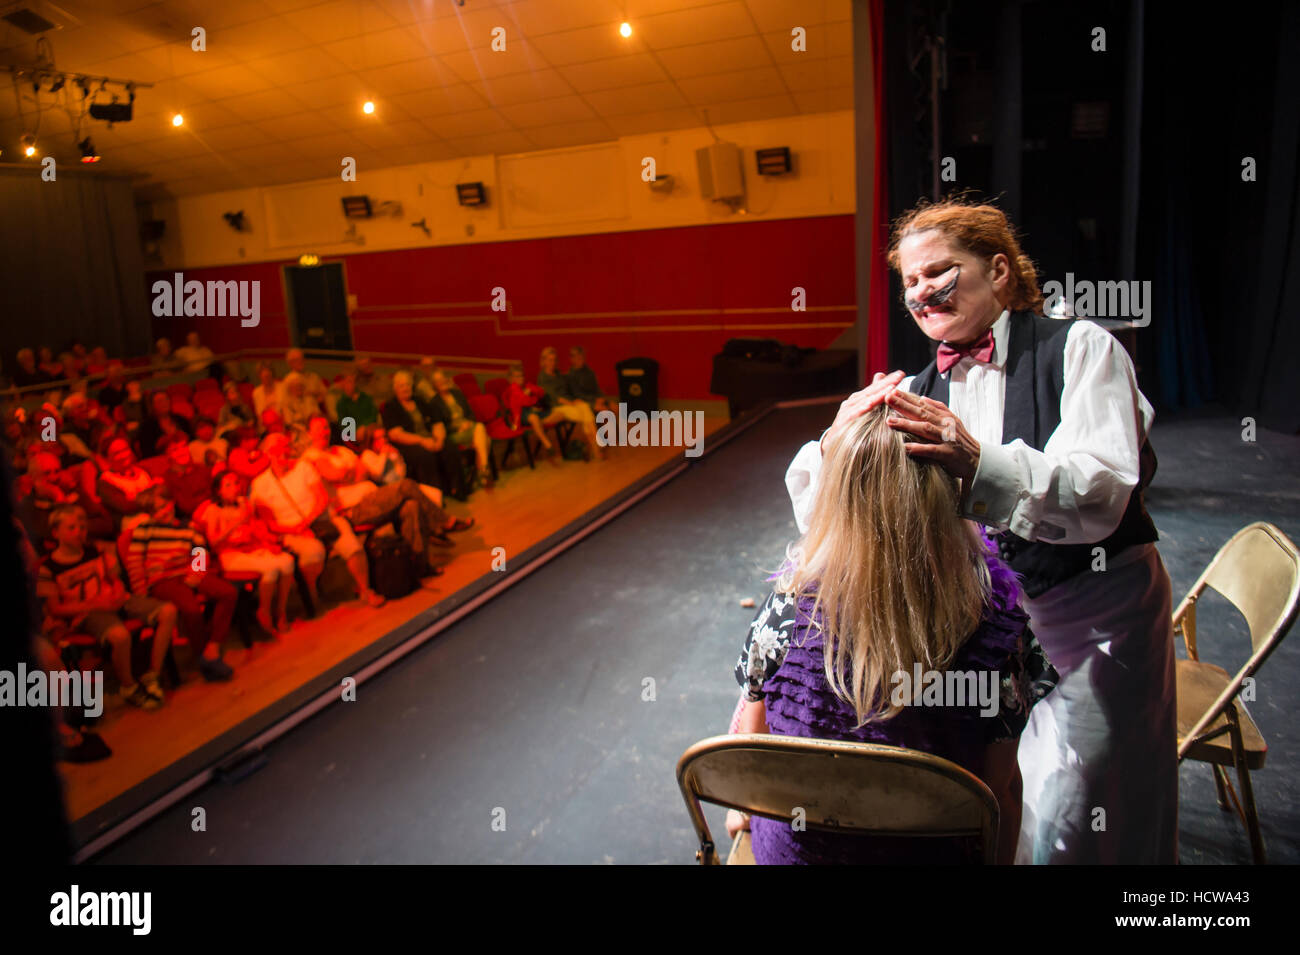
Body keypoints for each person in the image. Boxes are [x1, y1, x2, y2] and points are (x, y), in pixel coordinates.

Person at [786, 197, 1175, 865]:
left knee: (1083, 810)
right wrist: (834, 441)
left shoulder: (1081, 349)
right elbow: (840, 515)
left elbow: (1102, 492)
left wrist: (979, 462)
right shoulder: (918, 388)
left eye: (939, 270)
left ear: (998, 271)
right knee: (1002, 800)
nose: (921, 291)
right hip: (987, 637)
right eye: (909, 280)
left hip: (1095, 622)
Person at [727, 408, 1055, 864]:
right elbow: (1001, 792)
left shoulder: (785, 612)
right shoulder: (998, 635)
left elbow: (751, 759)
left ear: (835, 498)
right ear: (949, 497)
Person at [36, 504, 177, 710]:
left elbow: (114, 578)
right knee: (120, 636)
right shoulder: (48, 568)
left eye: (82, 528)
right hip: (87, 612)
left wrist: (118, 590)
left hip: (113, 599)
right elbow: (56, 609)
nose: (79, 532)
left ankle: (152, 674)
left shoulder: (95, 550)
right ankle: (128, 686)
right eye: (71, 528)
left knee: (168, 611)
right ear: (56, 532)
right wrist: (94, 604)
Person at [302, 416, 471, 582]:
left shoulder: (341, 450)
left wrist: (348, 475)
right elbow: (334, 474)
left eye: (326, 428)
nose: (325, 432)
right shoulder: (311, 457)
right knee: (406, 486)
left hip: (373, 498)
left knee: (411, 506)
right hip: (353, 510)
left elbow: (362, 470)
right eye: (319, 429)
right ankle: (444, 522)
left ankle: (420, 567)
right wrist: (351, 472)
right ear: (309, 433)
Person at [248, 432, 386, 609]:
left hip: (320, 519)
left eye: (285, 446)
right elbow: (269, 522)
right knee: (313, 552)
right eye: (276, 448)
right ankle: (313, 595)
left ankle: (366, 590)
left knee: (350, 543)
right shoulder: (260, 484)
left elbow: (321, 498)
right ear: (267, 454)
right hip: (290, 529)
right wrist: (296, 530)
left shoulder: (302, 467)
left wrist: (307, 522)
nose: (283, 451)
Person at [122, 485, 236, 682]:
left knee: (228, 592)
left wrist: (197, 571)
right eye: (154, 511)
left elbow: (200, 551)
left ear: (172, 503)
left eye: (163, 506)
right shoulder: (144, 529)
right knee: (191, 608)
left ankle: (212, 647)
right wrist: (141, 593)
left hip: (187, 572)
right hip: (162, 579)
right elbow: (135, 562)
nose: (161, 513)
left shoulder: (188, 528)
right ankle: (205, 657)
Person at [196, 471, 295, 634]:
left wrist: (267, 542)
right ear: (219, 491)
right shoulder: (213, 509)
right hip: (229, 554)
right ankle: (264, 611)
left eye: (236, 483)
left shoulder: (243, 503)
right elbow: (213, 541)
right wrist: (235, 523)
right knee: (270, 569)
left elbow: (253, 527)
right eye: (228, 485)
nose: (234, 488)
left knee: (287, 561)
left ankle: (281, 611)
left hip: (250, 548)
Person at [381, 369, 467, 500]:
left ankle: (457, 489)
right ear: (395, 388)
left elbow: (437, 423)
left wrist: (439, 440)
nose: (406, 388)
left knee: (450, 448)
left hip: (429, 438)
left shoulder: (419, 401)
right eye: (402, 386)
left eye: (408, 384)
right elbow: (396, 434)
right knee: (425, 456)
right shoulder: (391, 406)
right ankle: (434, 496)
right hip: (408, 443)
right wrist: (422, 441)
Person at [537, 346, 603, 460]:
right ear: (544, 361)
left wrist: (575, 400)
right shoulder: (542, 377)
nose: (553, 363)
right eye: (550, 360)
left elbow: (569, 390)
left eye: (554, 360)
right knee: (585, 411)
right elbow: (555, 398)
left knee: (585, 410)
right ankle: (596, 446)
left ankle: (595, 447)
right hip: (557, 407)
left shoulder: (558, 374)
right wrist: (572, 403)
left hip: (569, 404)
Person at [429, 370, 492, 488]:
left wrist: (468, 422)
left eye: (443, 378)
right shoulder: (434, 403)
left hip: (469, 428)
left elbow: (470, 413)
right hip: (454, 434)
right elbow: (440, 427)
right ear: (434, 385)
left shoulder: (457, 394)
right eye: (438, 380)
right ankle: (483, 470)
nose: (442, 382)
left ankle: (481, 473)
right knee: (484, 435)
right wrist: (458, 427)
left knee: (482, 435)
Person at [161, 434, 212, 520]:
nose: (182, 452)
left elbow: (215, 494)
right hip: (189, 520)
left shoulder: (202, 469)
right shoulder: (168, 479)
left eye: (184, 446)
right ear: (167, 456)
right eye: (175, 450)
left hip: (212, 512)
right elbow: (186, 507)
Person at [565, 346, 614, 415]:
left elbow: (596, 388)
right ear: (571, 359)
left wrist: (600, 397)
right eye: (576, 356)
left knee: (615, 407)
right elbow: (578, 395)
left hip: (596, 399)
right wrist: (595, 400)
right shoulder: (570, 375)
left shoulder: (589, 372)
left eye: (581, 356)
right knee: (605, 411)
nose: (579, 358)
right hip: (584, 402)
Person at [333, 368, 379, 434]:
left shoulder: (366, 398)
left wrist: (364, 426)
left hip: (368, 430)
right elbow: (343, 424)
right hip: (351, 434)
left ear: (356, 383)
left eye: (350, 382)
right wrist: (356, 431)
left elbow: (373, 416)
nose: (347, 385)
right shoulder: (341, 403)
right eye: (345, 382)